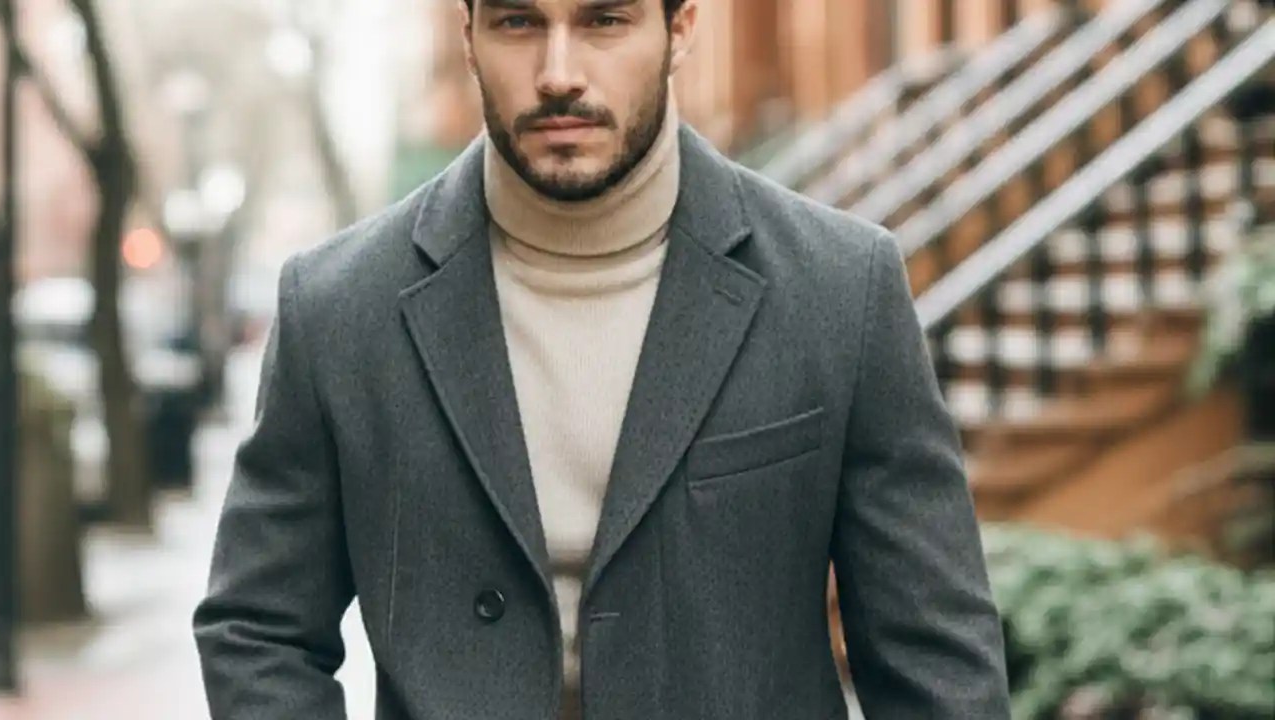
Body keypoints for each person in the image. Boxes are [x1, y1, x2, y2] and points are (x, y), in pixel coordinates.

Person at [192, 0, 1012, 717]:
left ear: (679, 28)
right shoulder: (338, 308)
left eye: (604, 19)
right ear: (469, 35)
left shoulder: (840, 291)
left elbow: (935, 659)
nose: (558, 73)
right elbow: (258, 625)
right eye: (519, 21)